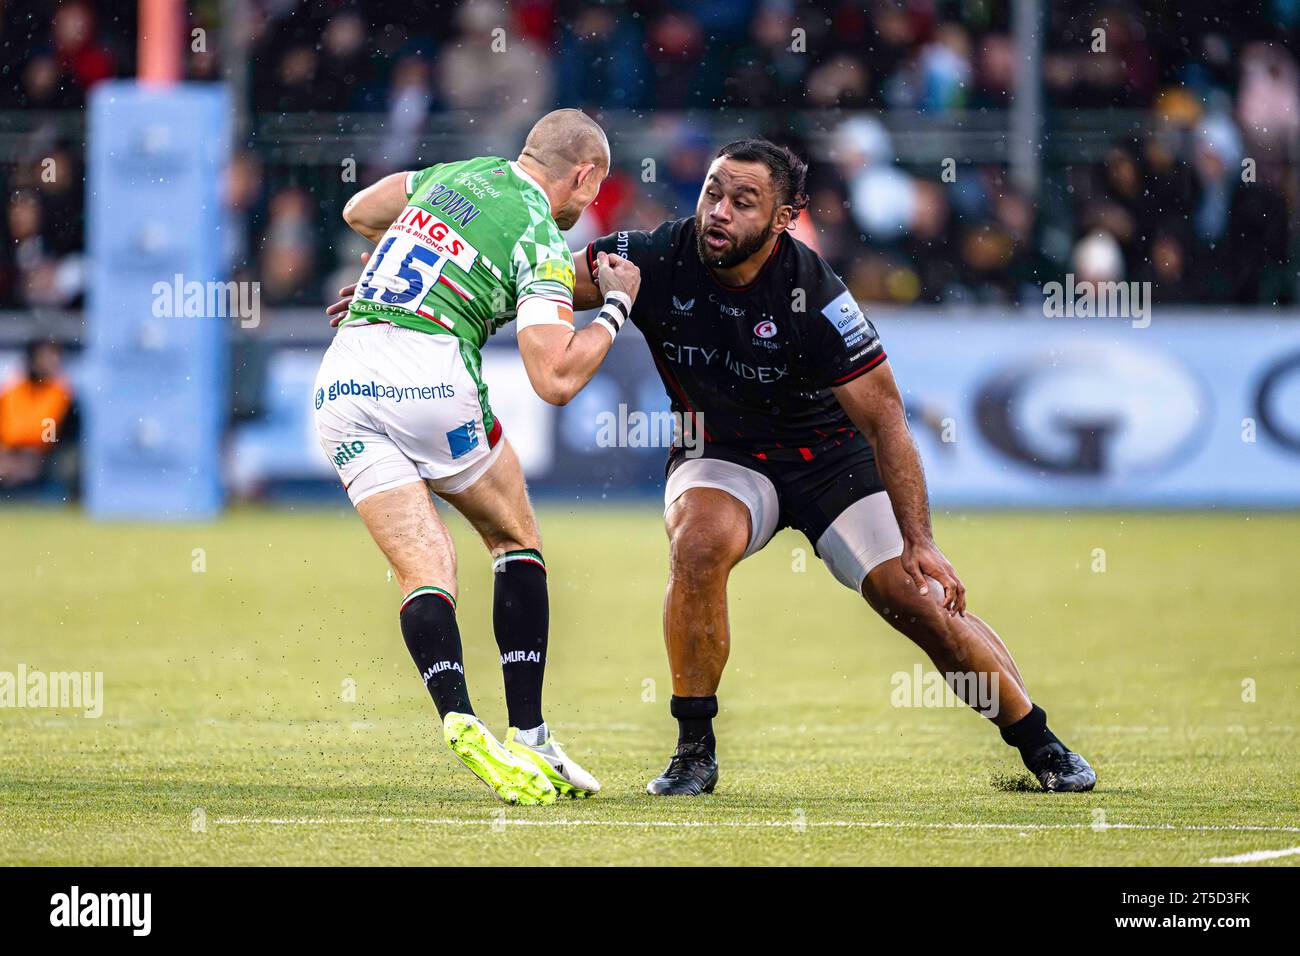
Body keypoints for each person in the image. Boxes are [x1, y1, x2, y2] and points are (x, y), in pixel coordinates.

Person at [573, 139, 1097, 796]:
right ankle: (693, 753)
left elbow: (884, 421)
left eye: (743, 202)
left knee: (911, 597)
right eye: (713, 193)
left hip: (829, 460)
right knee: (700, 544)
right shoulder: (655, 256)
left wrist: (922, 543)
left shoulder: (814, 294)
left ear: (784, 219)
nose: (719, 213)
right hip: (722, 454)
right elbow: (546, 283)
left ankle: (1038, 742)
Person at [318, 109, 641, 804]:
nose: (588, 206)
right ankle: (530, 734)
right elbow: (554, 380)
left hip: (343, 376)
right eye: (594, 190)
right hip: (429, 377)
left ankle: (460, 717)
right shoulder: (539, 236)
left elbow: (357, 209)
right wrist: (614, 308)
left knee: (425, 567)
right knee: (513, 535)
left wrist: (409, 272)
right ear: (582, 175)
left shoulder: (459, 174)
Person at [0, 339, 77, 491]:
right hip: (9, 453)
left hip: (44, 456)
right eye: (45, 357)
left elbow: (59, 435)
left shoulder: (62, 394)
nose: (51, 363)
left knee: (66, 463)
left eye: (55, 358)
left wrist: (36, 455)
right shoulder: (12, 391)